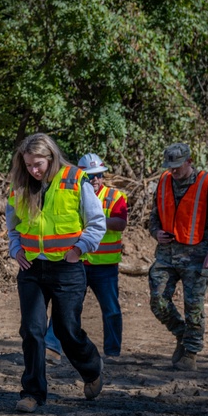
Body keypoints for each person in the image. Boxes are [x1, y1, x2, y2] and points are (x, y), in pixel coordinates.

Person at [6, 133, 106, 414]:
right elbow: (12, 226)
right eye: (27, 165)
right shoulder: (20, 185)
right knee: (32, 331)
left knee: (66, 330)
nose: (33, 171)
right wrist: (16, 250)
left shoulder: (75, 179)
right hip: (31, 269)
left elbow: (97, 223)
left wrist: (79, 249)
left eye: (37, 164)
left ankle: (92, 368)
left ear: (51, 157)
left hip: (67, 268)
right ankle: (32, 393)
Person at [148, 142, 208, 371]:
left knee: (193, 306)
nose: (173, 171)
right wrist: (156, 232)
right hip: (166, 254)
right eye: (170, 167)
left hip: (197, 254)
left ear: (189, 162)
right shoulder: (164, 181)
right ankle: (181, 333)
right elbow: (153, 217)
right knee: (158, 300)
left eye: (178, 167)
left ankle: (191, 353)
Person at [43, 153, 128, 361]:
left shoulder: (115, 197)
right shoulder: (71, 193)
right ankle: (52, 347)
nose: (95, 180)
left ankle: (112, 352)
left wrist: (93, 219)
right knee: (64, 306)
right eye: (91, 176)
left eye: (98, 175)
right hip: (77, 262)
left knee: (111, 310)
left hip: (105, 266)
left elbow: (120, 223)